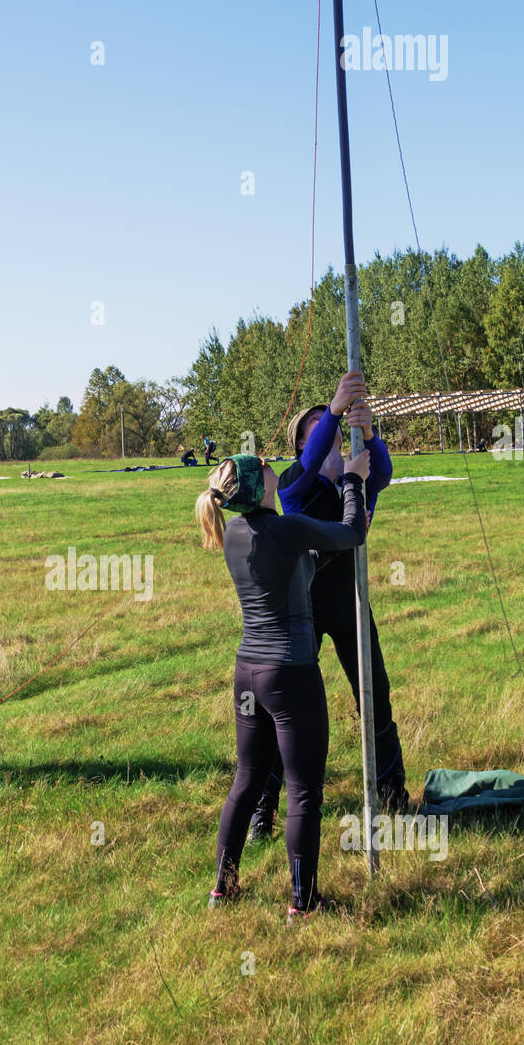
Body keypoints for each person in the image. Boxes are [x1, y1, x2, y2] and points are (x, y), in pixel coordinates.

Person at [196, 448, 370, 921]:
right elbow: (352, 533)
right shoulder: (285, 529)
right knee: (304, 791)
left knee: (247, 780)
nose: (275, 469)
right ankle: (303, 901)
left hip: (248, 673)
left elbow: (295, 565)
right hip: (291, 673)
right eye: (268, 468)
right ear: (260, 487)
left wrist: (317, 552)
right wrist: (352, 482)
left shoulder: (233, 531)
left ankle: (222, 887)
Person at [247, 371, 408, 841]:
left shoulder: (360, 480)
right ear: (302, 445)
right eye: (312, 425)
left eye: (328, 421)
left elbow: (384, 473)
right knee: (288, 712)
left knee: (374, 697)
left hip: (350, 602)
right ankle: (262, 812)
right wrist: (334, 409)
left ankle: (393, 797)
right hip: (302, 608)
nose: (324, 426)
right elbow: (316, 454)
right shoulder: (296, 485)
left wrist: (371, 433)